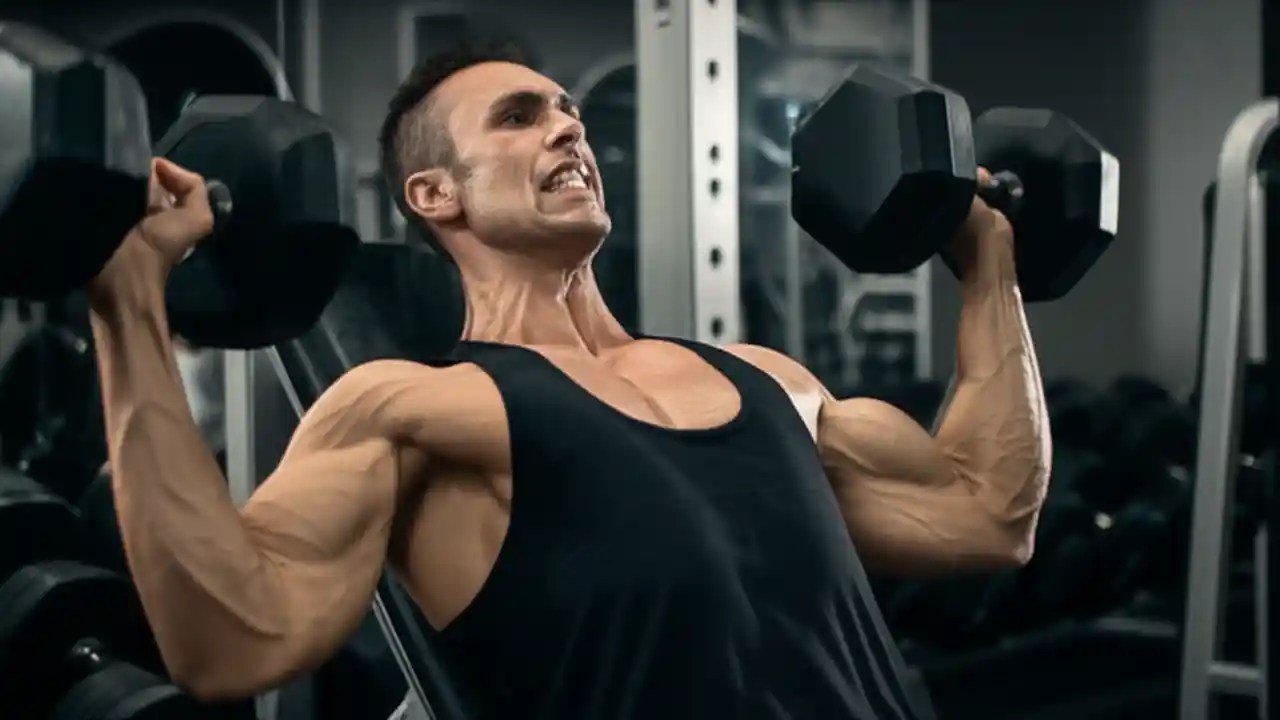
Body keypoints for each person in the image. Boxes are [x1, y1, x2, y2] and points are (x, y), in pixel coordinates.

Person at [86, 42, 1050, 720]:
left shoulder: (772, 383)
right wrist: (129, 303)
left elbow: (989, 513)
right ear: (435, 194)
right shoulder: (407, 408)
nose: (566, 130)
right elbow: (228, 644)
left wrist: (988, 267)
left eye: (568, 112)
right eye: (520, 117)